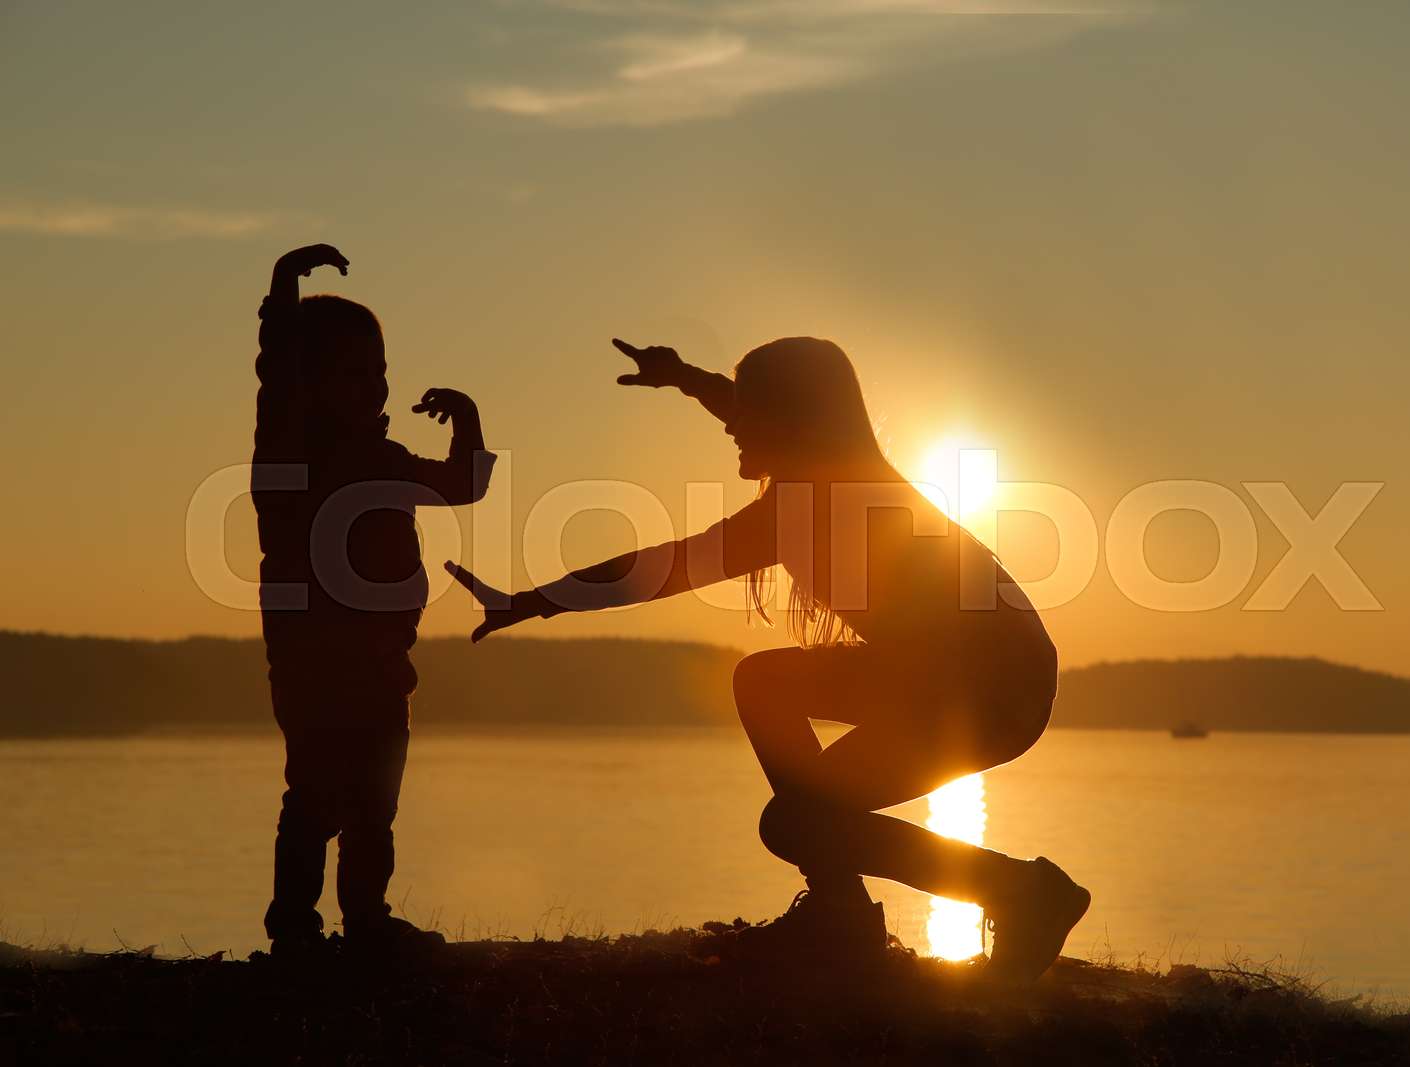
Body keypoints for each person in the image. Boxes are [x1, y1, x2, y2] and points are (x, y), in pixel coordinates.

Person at [446, 336, 1087, 983]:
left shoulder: (811, 507)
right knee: (787, 766)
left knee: (793, 794)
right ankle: (880, 908)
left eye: (749, 413)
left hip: (989, 687)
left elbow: (661, 569)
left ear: (789, 418)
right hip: (962, 677)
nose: (733, 428)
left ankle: (989, 896)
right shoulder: (824, 473)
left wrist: (534, 600)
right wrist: (686, 378)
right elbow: (742, 412)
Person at [252, 244, 495, 957]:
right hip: (311, 664)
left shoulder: (388, 461)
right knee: (314, 795)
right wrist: (281, 296)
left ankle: (366, 920)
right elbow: (275, 380)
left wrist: (470, 419)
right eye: (352, 374)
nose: (373, 388)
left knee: (375, 801)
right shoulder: (291, 455)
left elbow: (468, 484)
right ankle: (294, 928)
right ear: (311, 378)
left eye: (379, 374)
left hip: (386, 665)